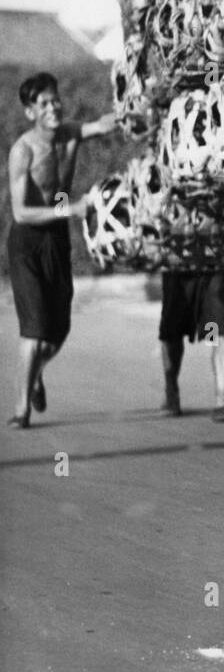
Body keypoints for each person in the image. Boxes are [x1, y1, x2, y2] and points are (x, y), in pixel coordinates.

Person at [6, 73, 116, 427]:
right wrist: (69, 208)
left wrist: (133, 111)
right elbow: (21, 211)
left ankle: (35, 373)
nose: (53, 107)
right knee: (36, 330)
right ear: (30, 113)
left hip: (56, 239)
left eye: (55, 100)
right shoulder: (23, 151)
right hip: (27, 243)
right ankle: (21, 410)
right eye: (43, 104)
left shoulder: (69, 133)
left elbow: (101, 125)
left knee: (58, 331)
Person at [158, 271, 224, 421]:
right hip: (178, 265)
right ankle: (171, 392)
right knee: (173, 328)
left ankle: (223, 400)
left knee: (219, 326)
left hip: (218, 265)